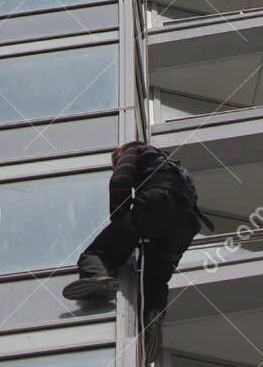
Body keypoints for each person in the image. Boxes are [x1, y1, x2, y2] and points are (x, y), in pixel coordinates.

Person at [63, 140, 211, 341]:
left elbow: (120, 180)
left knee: (97, 253)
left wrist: (120, 223)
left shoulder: (134, 150)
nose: (116, 166)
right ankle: (153, 316)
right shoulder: (175, 168)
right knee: (156, 278)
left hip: (156, 203)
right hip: (186, 224)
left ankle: (97, 277)